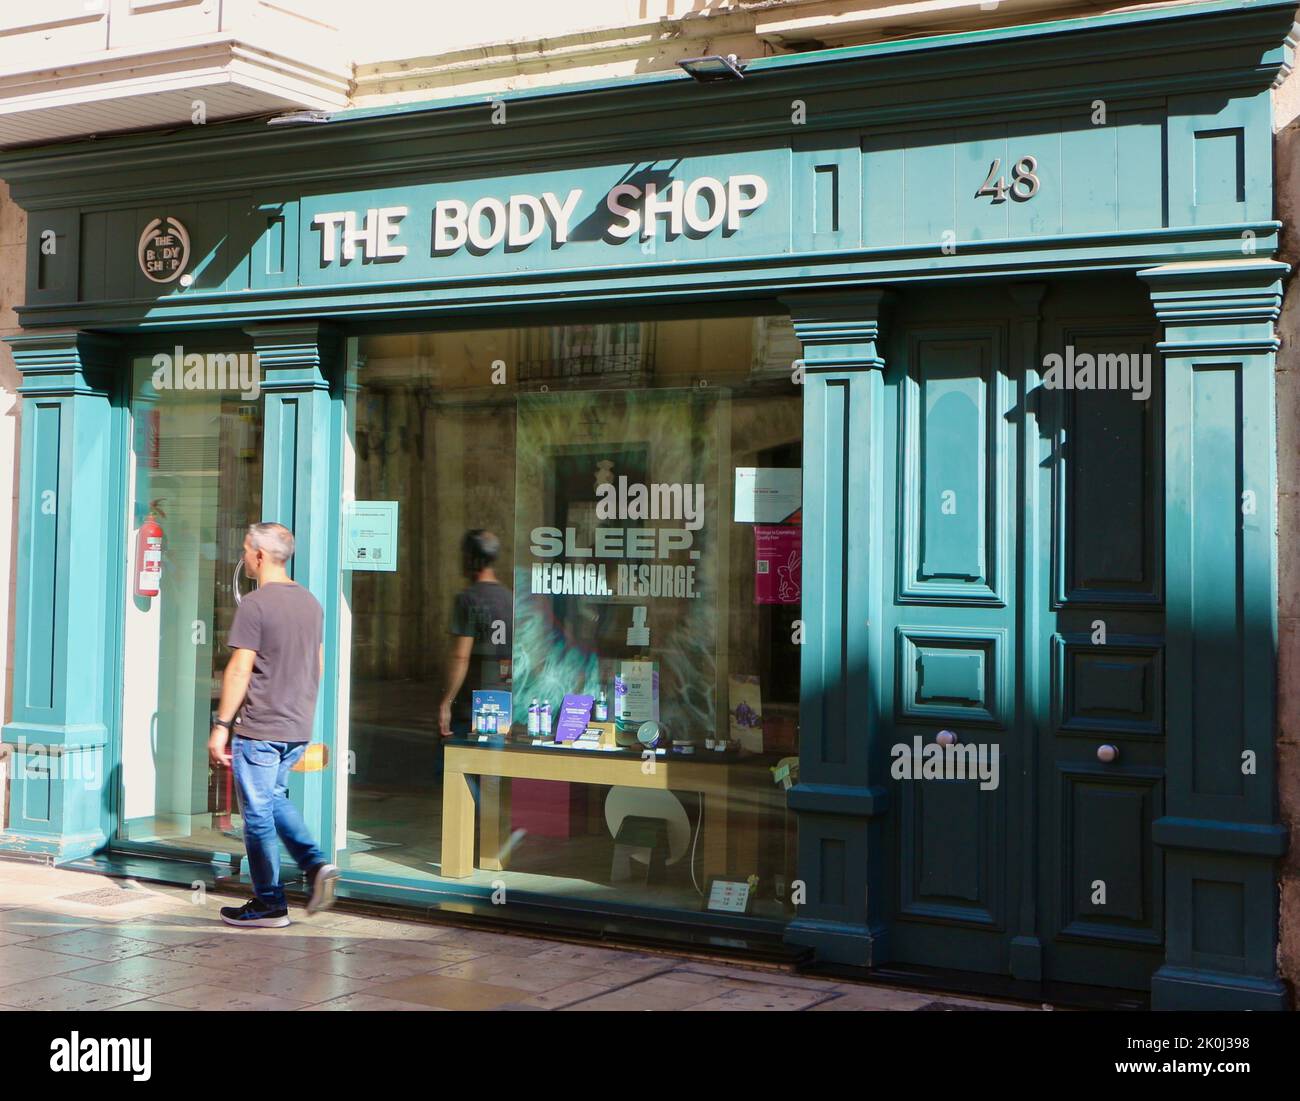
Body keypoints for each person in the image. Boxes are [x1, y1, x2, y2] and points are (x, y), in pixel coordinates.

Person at [207, 521, 339, 928]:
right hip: (295, 725)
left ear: (260, 556)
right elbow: (315, 665)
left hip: (260, 726)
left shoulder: (256, 604)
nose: (244, 557)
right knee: (274, 798)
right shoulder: (311, 603)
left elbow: (239, 671)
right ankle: (315, 866)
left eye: (246, 550)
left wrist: (221, 725)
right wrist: (302, 716)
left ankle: (269, 902)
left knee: (258, 812)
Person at [439, 529, 513, 739]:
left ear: (472, 559)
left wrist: (447, 702)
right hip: (502, 697)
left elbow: (460, 657)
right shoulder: (510, 599)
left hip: (471, 703)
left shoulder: (468, 599)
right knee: (492, 763)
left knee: (455, 762)